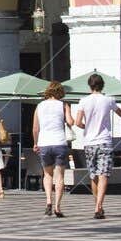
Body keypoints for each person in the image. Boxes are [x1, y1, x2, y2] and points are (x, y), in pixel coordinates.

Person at [74, 74, 121, 219]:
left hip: (89, 142)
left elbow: (77, 122)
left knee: (93, 174)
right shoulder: (109, 100)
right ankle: (98, 206)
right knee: (104, 175)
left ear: (90, 86)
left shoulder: (83, 101)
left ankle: (97, 205)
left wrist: (87, 126)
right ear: (102, 85)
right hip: (104, 141)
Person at [33, 81, 73, 217]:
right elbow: (71, 122)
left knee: (48, 174)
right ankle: (57, 207)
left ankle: (48, 201)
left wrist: (35, 143)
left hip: (44, 143)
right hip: (59, 143)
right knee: (60, 176)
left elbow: (35, 128)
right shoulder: (63, 105)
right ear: (60, 92)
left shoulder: (39, 106)